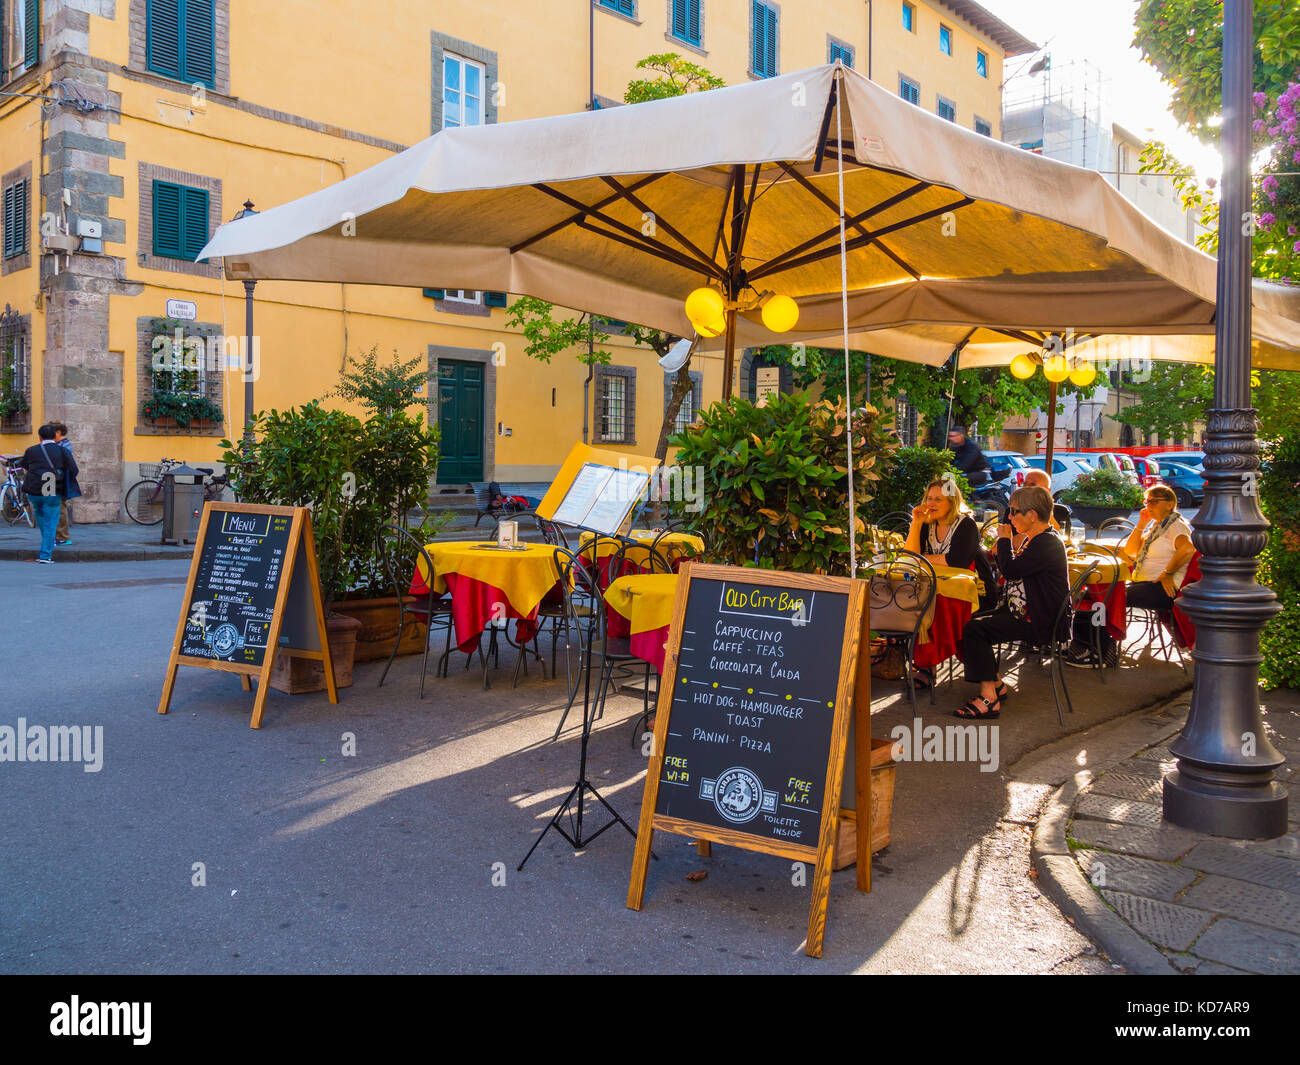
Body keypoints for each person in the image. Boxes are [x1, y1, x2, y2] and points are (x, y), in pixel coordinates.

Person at [956, 485, 1069, 718]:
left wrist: (1005, 540)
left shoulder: (1047, 542)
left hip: (1039, 619)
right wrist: (1004, 547)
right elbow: (1014, 571)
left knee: (976, 630)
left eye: (1014, 511)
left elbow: (1011, 571)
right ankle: (996, 684)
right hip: (1022, 611)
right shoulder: (1036, 539)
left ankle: (989, 699)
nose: (1009, 517)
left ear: (1032, 515)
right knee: (966, 623)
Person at [1063, 484, 1194, 668]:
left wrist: (1168, 573)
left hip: (1162, 589)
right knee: (1094, 595)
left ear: (1170, 504)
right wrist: (1141, 524)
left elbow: (1188, 548)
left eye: (1154, 502)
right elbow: (1130, 551)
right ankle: (1088, 646)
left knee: (1104, 598)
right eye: (1147, 502)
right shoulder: (1157, 526)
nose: (1149, 506)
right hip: (1146, 583)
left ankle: (1100, 652)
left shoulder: (1175, 525)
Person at [22, 423, 77, 564]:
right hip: (51, 486)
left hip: (34, 488)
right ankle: (45, 555)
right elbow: (73, 469)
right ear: (54, 436)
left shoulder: (31, 450)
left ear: (39, 437)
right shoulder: (62, 451)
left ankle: (48, 542)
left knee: (41, 518)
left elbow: (25, 465)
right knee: (51, 521)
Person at [50, 421, 80, 545]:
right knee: (56, 507)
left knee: (60, 507)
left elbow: (69, 465)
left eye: (52, 433)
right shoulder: (59, 444)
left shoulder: (64, 446)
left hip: (59, 480)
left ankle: (63, 537)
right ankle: (58, 535)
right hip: (54, 479)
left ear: (58, 432)